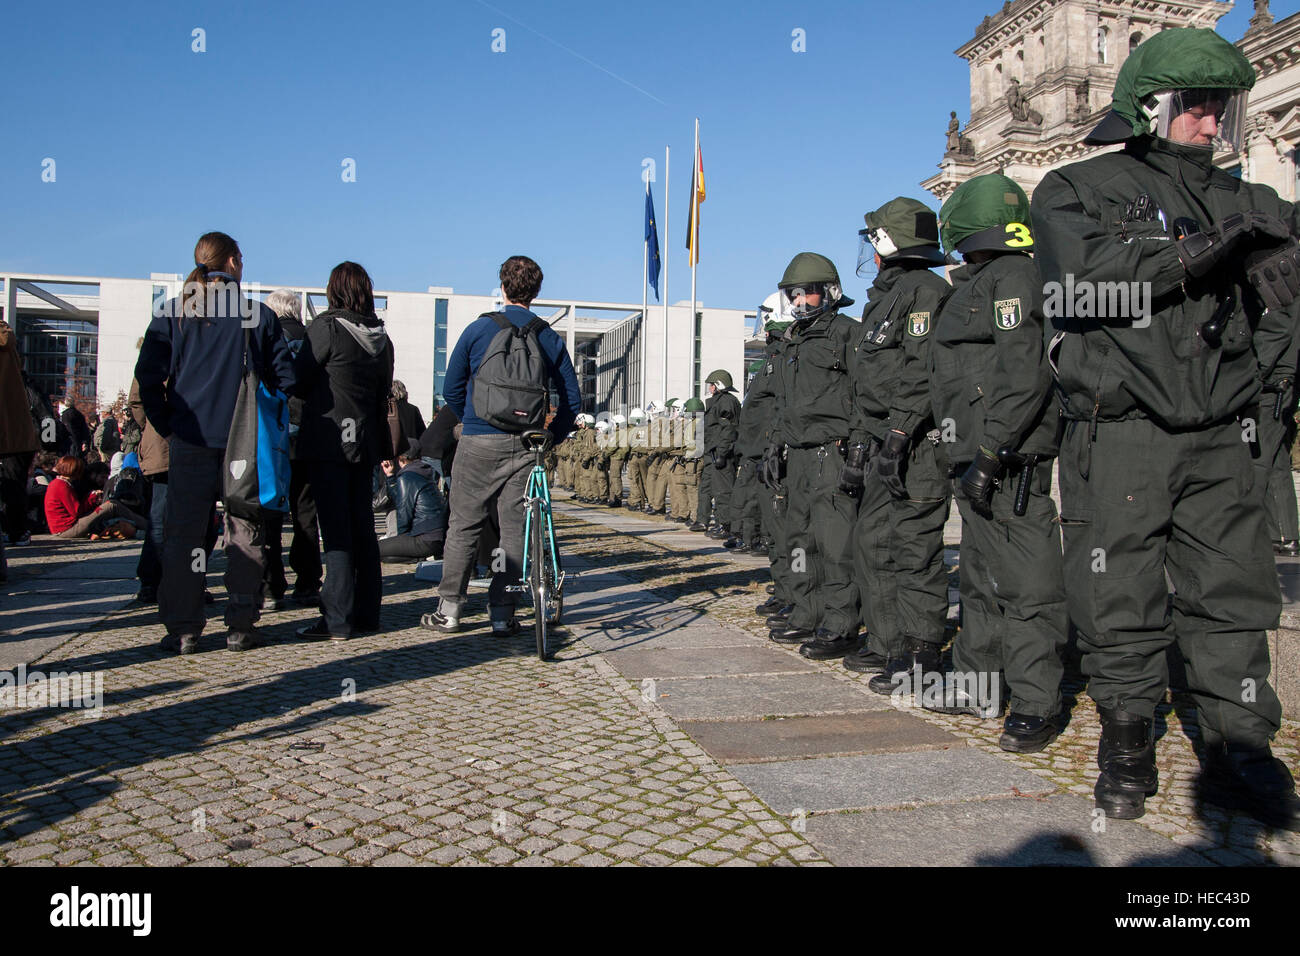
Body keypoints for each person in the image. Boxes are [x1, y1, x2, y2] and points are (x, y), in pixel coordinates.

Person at [1031, 27, 1300, 828]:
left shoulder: (1252, 199)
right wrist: (1202, 254)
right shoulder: (1075, 187)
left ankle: (1241, 745)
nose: (1213, 122)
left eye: (1224, 107)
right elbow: (1079, 291)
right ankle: (1127, 737)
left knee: (1234, 594)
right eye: (1198, 106)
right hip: (1126, 431)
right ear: (1152, 105)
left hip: (1224, 430)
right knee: (1120, 592)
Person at [929, 175, 1067, 752]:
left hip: (1006, 464)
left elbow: (1022, 372)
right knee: (981, 581)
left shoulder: (1011, 276)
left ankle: (1037, 701)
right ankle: (975, 683)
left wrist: (991, 451)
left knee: (1028, 588)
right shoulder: (982, 280)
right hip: (976, 457)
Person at [135, 231, 296, 654]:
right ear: (234, 263)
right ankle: (241, 623)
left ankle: (184, 628)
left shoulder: (173, 314)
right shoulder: (256, 316)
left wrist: (167, 422)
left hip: (189, 439)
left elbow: (147, 377)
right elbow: (287, 380)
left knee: (184, 536)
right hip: (245, 441)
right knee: (245, 529)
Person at [423, 255, 580, 634]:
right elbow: (572, 401)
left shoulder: (479, 330)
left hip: (477, 441)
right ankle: (502, 614)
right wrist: (548, 437)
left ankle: (450, 611)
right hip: (526, 446)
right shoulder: (548, 335)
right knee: (514, 531)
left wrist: (473, 420)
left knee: (464, 524)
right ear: (537, 291)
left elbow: (451, 389)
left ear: (503, 286)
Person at [842, 198, 955, 683]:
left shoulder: (925, 291)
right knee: (873, 543)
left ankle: (919, 657)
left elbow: (920, 367)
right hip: (883, 440)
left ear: (888, 243)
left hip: (916, 444)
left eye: (875, 240)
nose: (871, 250)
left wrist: (900, 431)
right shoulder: (887, 296)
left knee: (912, 551)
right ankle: (888, 641)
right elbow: (865, 380)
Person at [764, 253, 862, 661]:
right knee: (800, 540)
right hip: (798, 455)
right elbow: (781, 401)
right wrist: (774, 443)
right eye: (794, 295)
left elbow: (865, 393)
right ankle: (808, 610)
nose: (800, 302)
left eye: (809, 293)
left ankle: (841, 623)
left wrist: (858, 446)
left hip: (832, 451)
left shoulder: (848, 334)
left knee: (835, 543)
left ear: (831, 292)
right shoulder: (793, 343)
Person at [292, 263, 394, 642]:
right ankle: (368, 613)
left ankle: (337, 619)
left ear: (333, 291)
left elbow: (297, 379)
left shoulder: (326, 328)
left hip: (329, 439)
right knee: (363, 528)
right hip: (365, 441)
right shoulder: (382, 338)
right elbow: (384, 388)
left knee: (335, 531)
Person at [263, 288, 322, 608]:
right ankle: (308, 579)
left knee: (270, 510)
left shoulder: (267, 337)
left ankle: (271, 583)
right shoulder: (313, 338)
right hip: (309, 434)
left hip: (275, 435)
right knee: (305, 510)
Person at [0, 318, 39, 546]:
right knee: (14, 486)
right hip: (17, 432)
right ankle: (17, 531)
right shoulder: (9, 345)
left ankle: (14, 530)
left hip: (12, 432)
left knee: (12, 486)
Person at [44, 456, 146, 540]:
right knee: (111, 505)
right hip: (66, 529)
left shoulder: (59, 483)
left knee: (112, 505)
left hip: (65, 527)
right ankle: (148, 526)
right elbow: (77, 511)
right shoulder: (61, 486)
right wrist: (92, 498)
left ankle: (144, 525)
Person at [379, 443, 448, 563]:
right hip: (436, 536)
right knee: (385, 556)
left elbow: (403, 512)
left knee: (374, 549)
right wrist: (390, 476)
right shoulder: (423, 471)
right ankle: (417, 557)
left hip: (423, 538)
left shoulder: (407, 476)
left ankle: (417, 556)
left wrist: (401, 539)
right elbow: (403, 498)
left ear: (401, 458)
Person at [691, 371, 741, 537]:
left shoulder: (727, 401)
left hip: (720, 454)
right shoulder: (715, 402)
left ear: (719, 385)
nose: (710, 388)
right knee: (705, 488)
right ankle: (702, 520)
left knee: (723, 491)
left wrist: (722, 452)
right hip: (710, 453)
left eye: (712, 384)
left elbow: (729, 430)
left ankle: (725, 524)